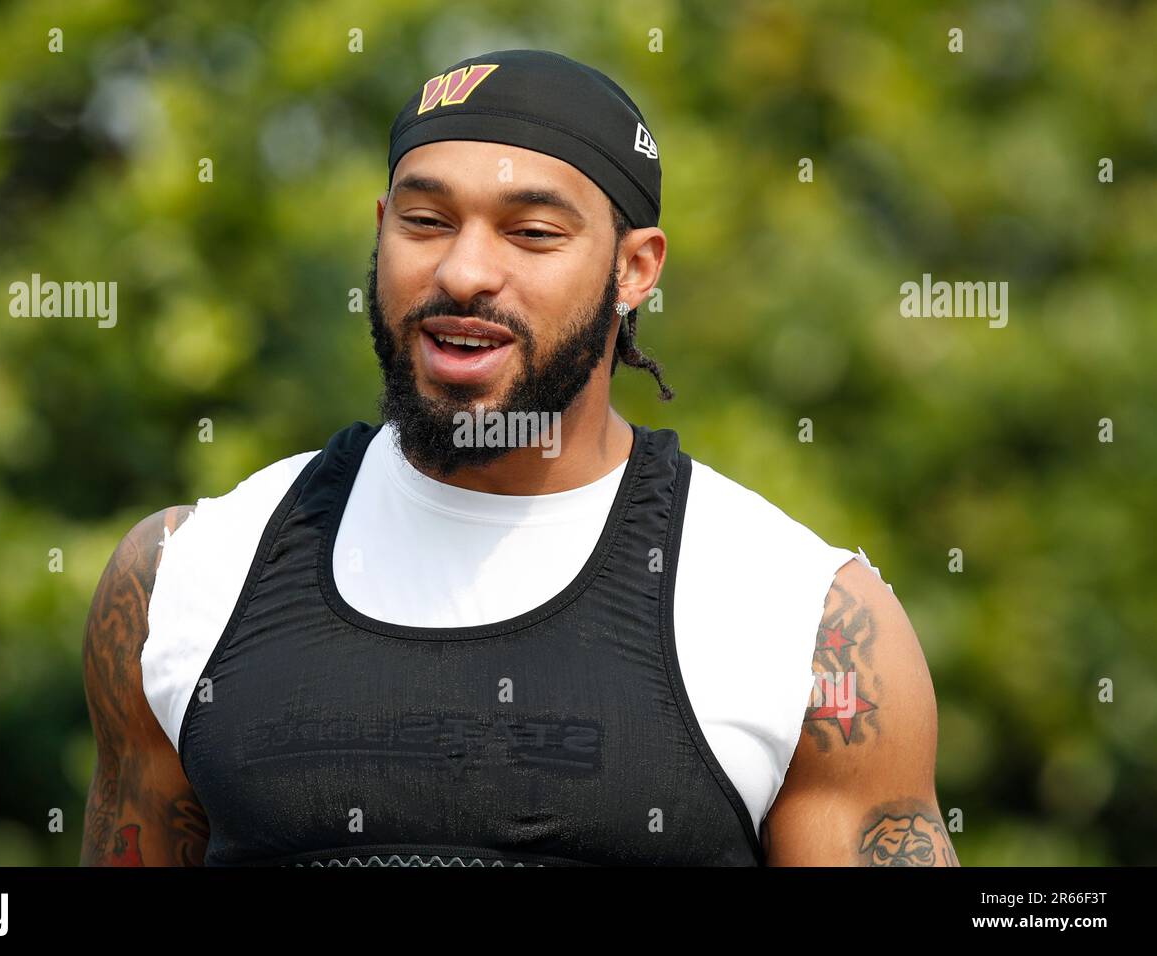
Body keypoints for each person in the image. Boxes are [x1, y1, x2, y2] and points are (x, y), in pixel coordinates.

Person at [80, 49, 957, 867]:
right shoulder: (186, 576)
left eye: (532, 233)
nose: (464, 271)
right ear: (381, 231)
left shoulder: (805, 621)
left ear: (635, 269)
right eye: (425, 222)